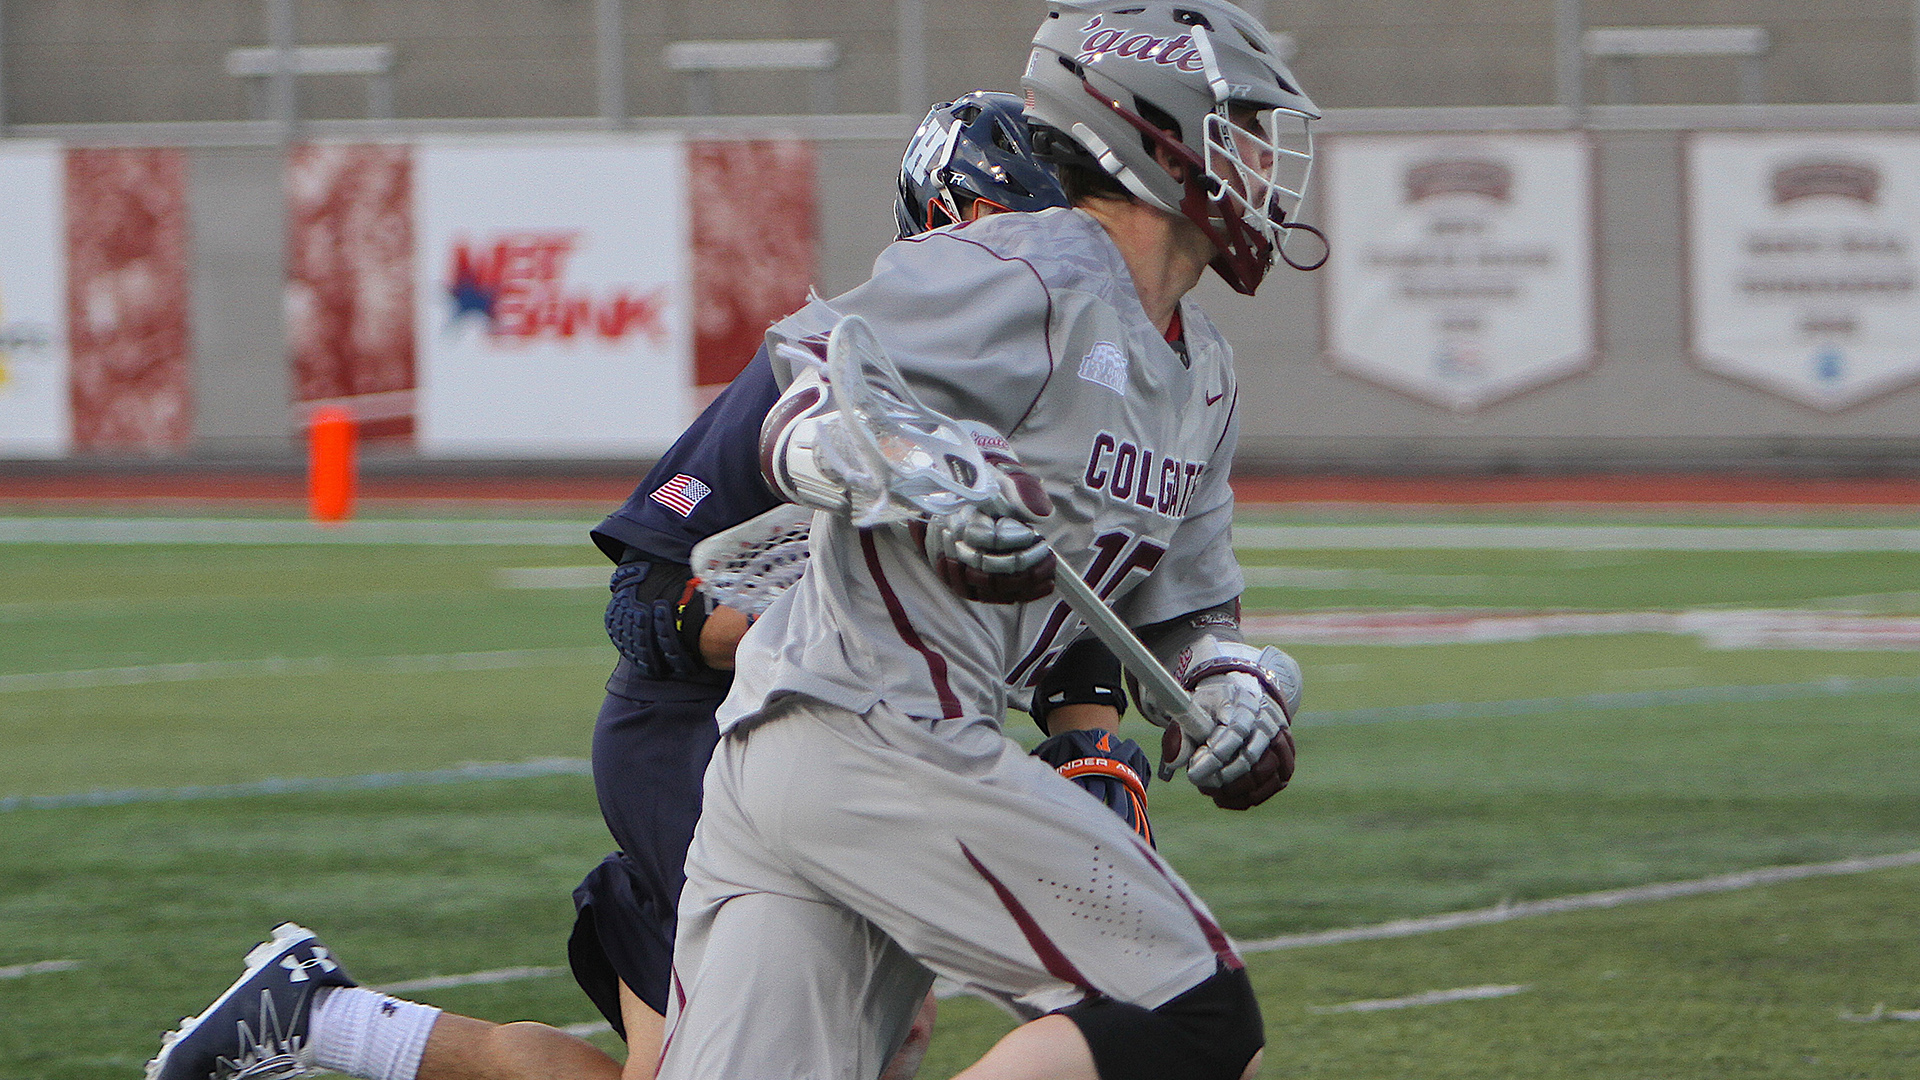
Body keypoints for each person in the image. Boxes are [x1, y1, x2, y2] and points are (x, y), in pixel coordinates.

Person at [146, 92, 1156, 1080]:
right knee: (860, 1031)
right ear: (957, 226)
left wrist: (1095, 759)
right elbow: (640, 603)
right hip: (708, 738)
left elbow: (1076, 618)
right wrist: (806, 621)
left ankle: (321, 1018)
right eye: (1020, 230)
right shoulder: (838, 364)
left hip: (861, 745)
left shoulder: (1071, 403)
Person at [655, 1, 1319, 1078]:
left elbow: (1186, 613)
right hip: (882, 727)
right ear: (1156, 129)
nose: (1260, 161)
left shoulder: (1204, 372)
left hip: (808, 751)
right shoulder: (1022, 265)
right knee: (1192, 1017)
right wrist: (918, 472)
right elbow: (811, 385)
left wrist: (1234, 684)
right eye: (1238, 125)